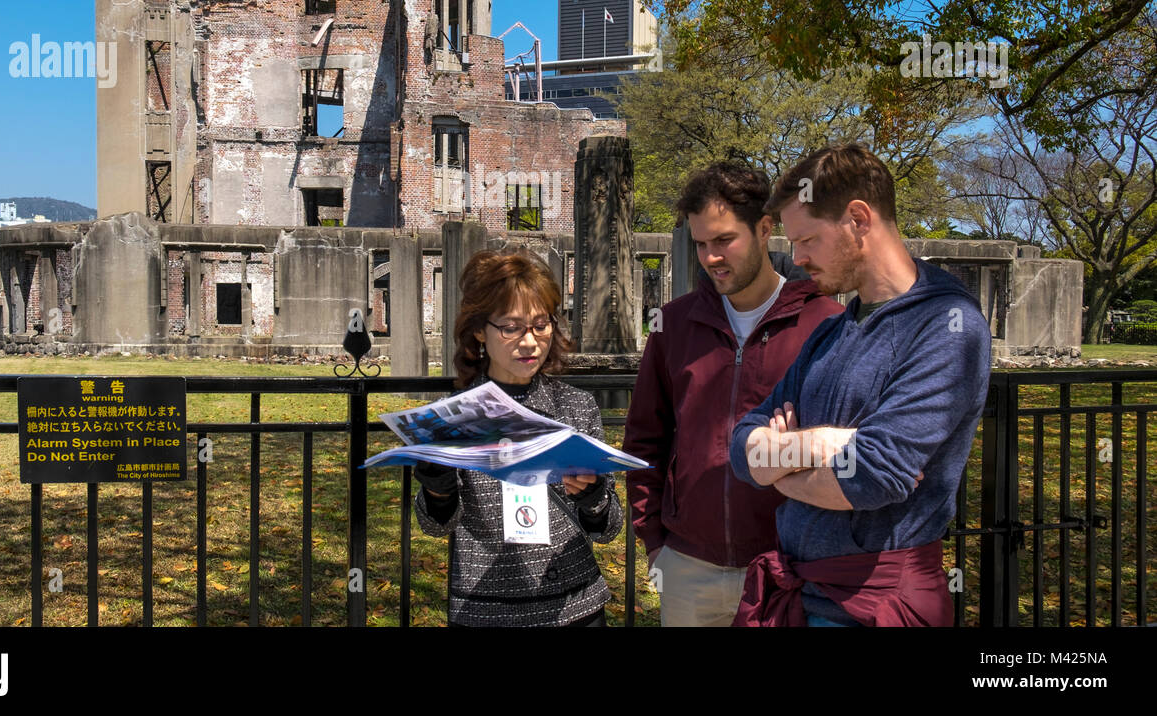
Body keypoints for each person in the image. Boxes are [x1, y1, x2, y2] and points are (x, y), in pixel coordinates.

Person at [729, 143, 991, 626]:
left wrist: (781, 465)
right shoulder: (832, 330)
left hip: (877, 603)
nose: (798, 258)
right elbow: (741, 446)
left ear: (858, 219)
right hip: (800, 595)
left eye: (807, 239)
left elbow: (873, 475)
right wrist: (828, 444)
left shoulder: (947, 325)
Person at [623, 162, 843, 626]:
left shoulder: (824, 323)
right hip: (688, 566)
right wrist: (655, 542)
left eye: (724, 240)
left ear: (765, 229)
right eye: (700, 244)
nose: (710, 257)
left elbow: (846, 442)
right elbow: (646, 439)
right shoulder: (673, 325)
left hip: (789, 566)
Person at [413, 249, 623, 626]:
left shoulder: (575, 407)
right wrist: (438, 487)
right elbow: (435, 525)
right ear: (480, 330)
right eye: (511, 327)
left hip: (573, 606)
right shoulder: (454, 415)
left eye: (541, 325)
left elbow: (609, 526)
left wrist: (593, 496)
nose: (530, 342)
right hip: (484, 608)